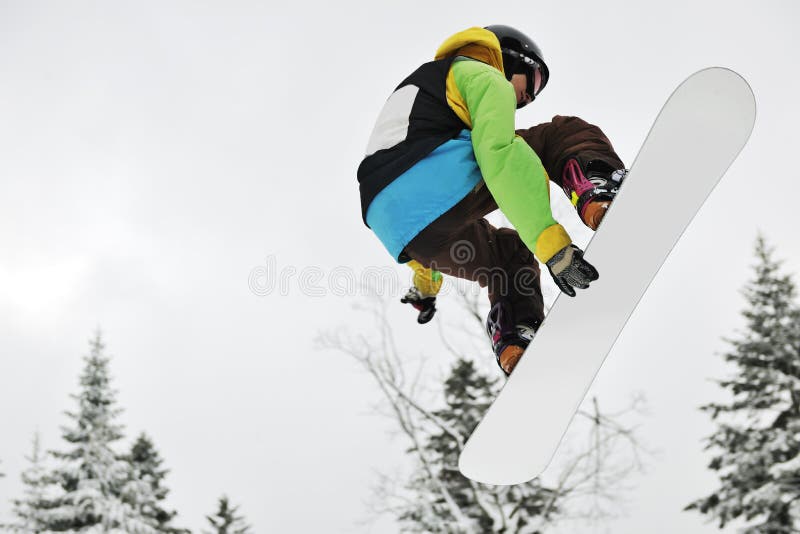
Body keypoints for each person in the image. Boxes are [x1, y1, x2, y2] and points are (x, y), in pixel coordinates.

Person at [357, 25, 626, 375]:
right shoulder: (480, 73)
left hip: (397, 226)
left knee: (507, 257)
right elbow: (498, 153)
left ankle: (516, 342)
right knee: (560, 134)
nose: (530, 97)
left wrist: (425, 289)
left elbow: (407, 206)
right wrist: (552, 246)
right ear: (509, 60)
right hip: (434, 181)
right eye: (533, 81)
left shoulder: (422, 93)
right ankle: (597, 192)